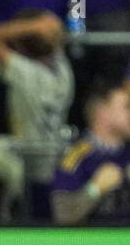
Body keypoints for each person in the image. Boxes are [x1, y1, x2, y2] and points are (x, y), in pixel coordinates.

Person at [0, 8, 74, 221]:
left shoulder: (24, 72)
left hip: (29, 167)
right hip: (54, 165)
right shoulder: (63, 70)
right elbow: (55, 34)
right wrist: (42, 26)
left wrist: (30, 27)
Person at [51, 80, 130, 224]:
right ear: (102, 113)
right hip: (91, 243)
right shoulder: (76, 156)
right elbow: (62, 215)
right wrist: (95, 189)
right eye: (127, 107)